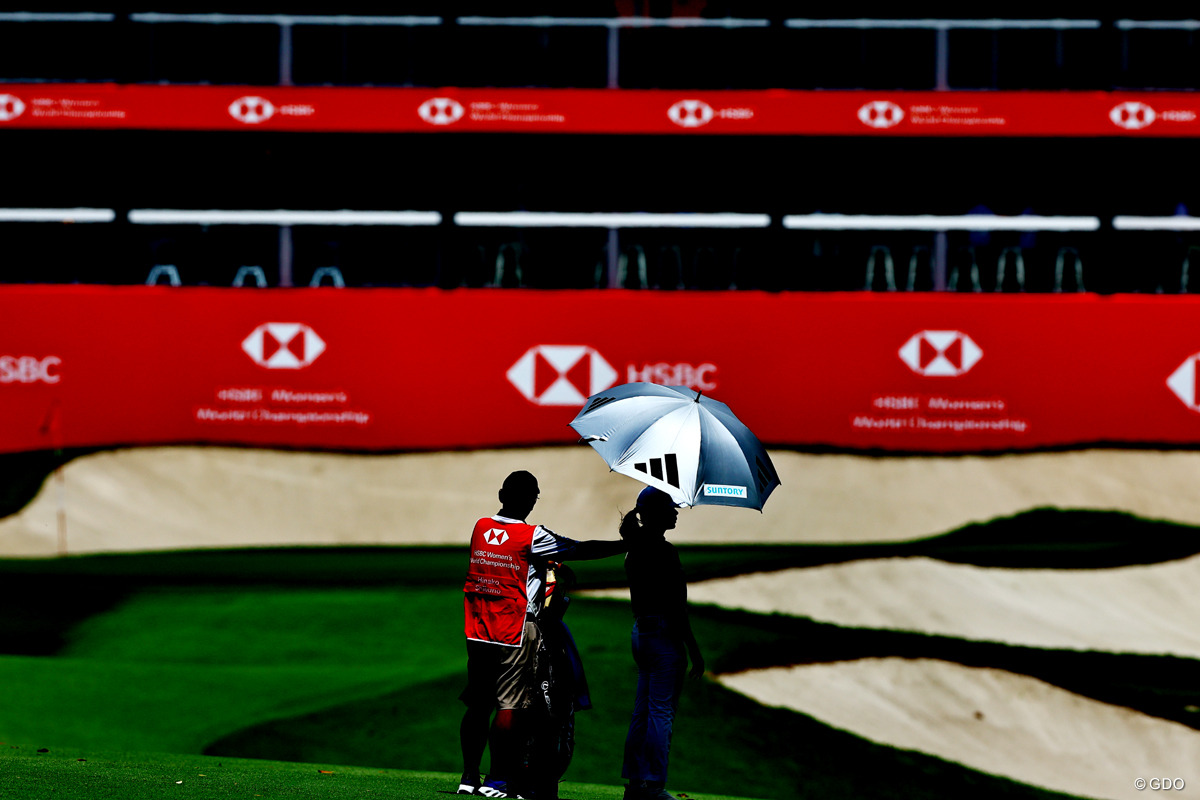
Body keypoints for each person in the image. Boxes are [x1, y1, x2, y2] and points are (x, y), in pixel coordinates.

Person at [459, 470, 626, 799]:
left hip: (477, 629)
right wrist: (626, 544)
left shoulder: (481, 528)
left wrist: (554, 565)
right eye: (534, 498)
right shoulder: (532, 535)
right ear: (528, 500)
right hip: (514, 628)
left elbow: (512, 558)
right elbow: (580, 548)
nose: (534, 504)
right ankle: (496, 781)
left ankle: (468, 777)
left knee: (478, 704)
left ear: (500, 494)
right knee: (509, 705)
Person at [619, 486, 704, 800]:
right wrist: (693, 649)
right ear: (656, 514)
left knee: (643, 711)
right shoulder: (663, 551)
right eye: (670, 507)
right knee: (660, 713)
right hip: (663, 635)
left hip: (641, 633)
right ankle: (653, 786)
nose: (676, 511)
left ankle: (636, 785)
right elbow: (676, 607)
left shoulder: (635, 548)